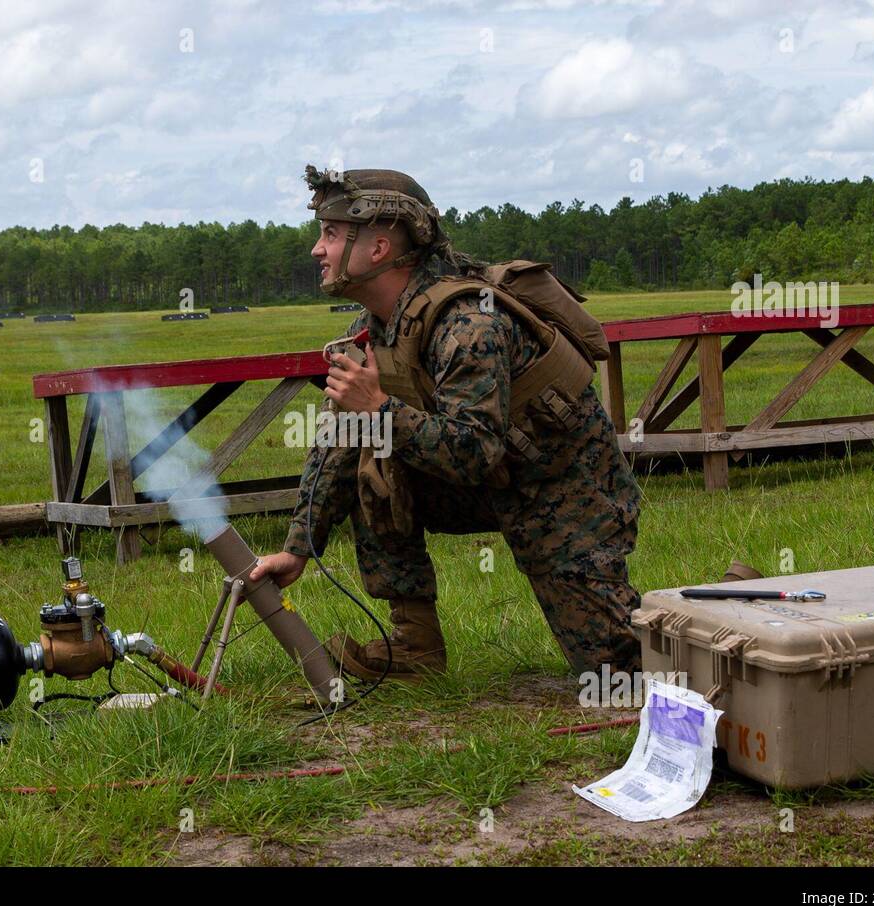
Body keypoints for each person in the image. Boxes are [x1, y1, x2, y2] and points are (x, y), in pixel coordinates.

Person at [249, 165, 642, 682]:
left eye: (330, 234)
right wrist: (298, 549)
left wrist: (381, 410)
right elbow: (337, 448)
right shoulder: (372, 331)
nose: (317, 250)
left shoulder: (469, 325)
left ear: (380, 248)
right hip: (494, 482)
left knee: (620, 674)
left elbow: (476, 451)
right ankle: (415, 646)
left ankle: (727, 614)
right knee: (373, 457)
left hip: (562, 492)